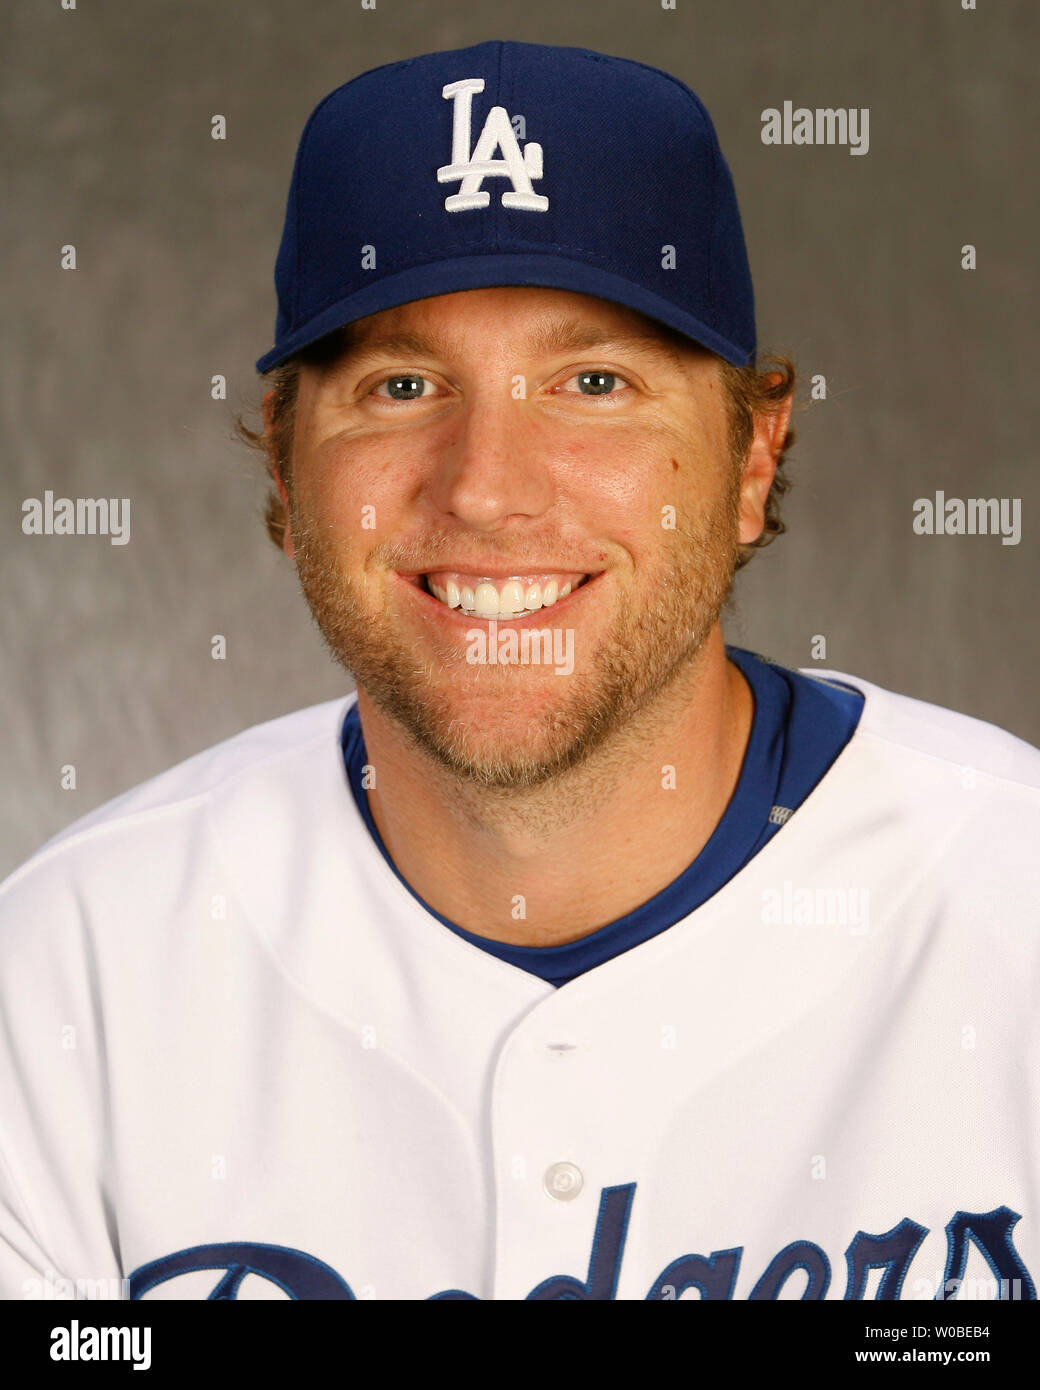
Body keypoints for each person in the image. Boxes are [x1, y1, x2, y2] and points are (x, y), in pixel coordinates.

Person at [1, 40, 1037, 1304]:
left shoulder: (1010, 904)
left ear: (750, 456)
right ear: (283, 467)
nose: (486, 486)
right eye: (398, 385)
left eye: (592, 382)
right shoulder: (64, 977)